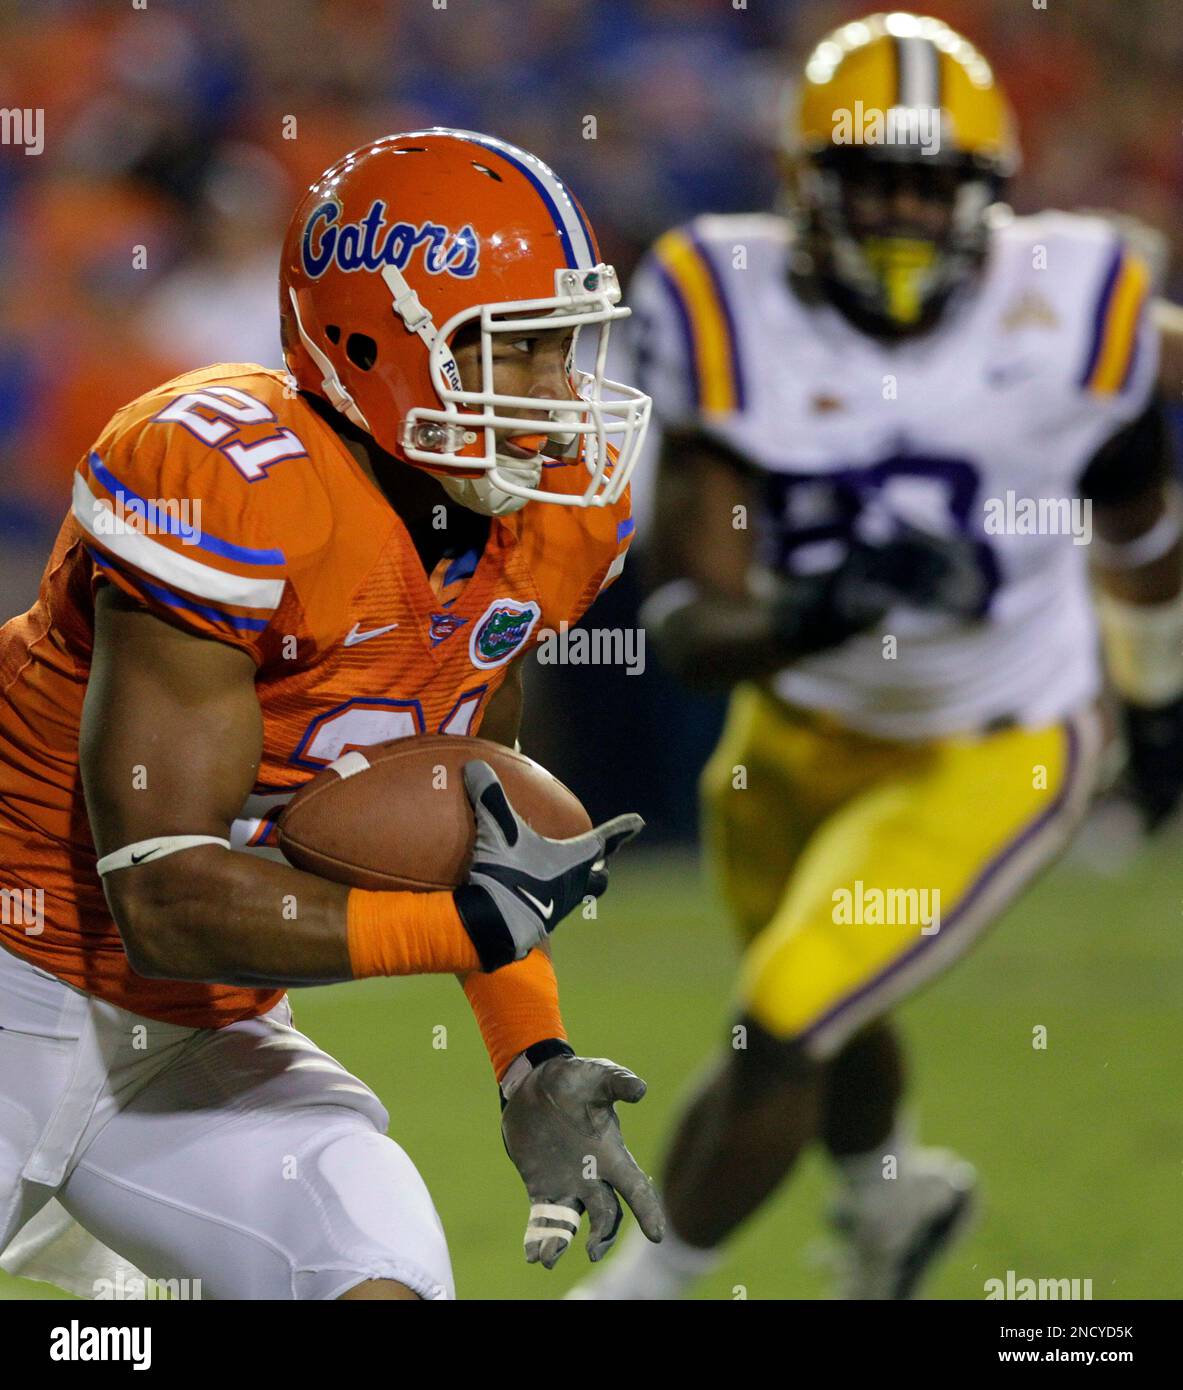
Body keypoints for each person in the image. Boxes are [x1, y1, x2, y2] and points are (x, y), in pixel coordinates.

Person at [573, 13, 1183, 1300]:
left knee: (787, 1013)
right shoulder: (719, 299)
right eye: (870, 176)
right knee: (822, 997)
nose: (902, 209)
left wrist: (1159, 686)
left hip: (994, 737)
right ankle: (887, 1195)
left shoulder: (1077, 304)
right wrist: (826, 612)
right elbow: (688, 620)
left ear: (987, 196)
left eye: (930, 179)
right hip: (791, 732)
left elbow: (1138, 510)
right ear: (804, 184)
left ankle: (636, 1294)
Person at [0, 128, 663, 1301]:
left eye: (567, 347)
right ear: (376, 343)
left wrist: (528, 1054)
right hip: (18, 965)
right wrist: (458, 929)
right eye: (516, 354)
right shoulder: (224, 476)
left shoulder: (541, 531)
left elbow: (471, 809)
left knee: (373, 1279)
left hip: (198, 1038)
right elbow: (160, 892)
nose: (563, 398)